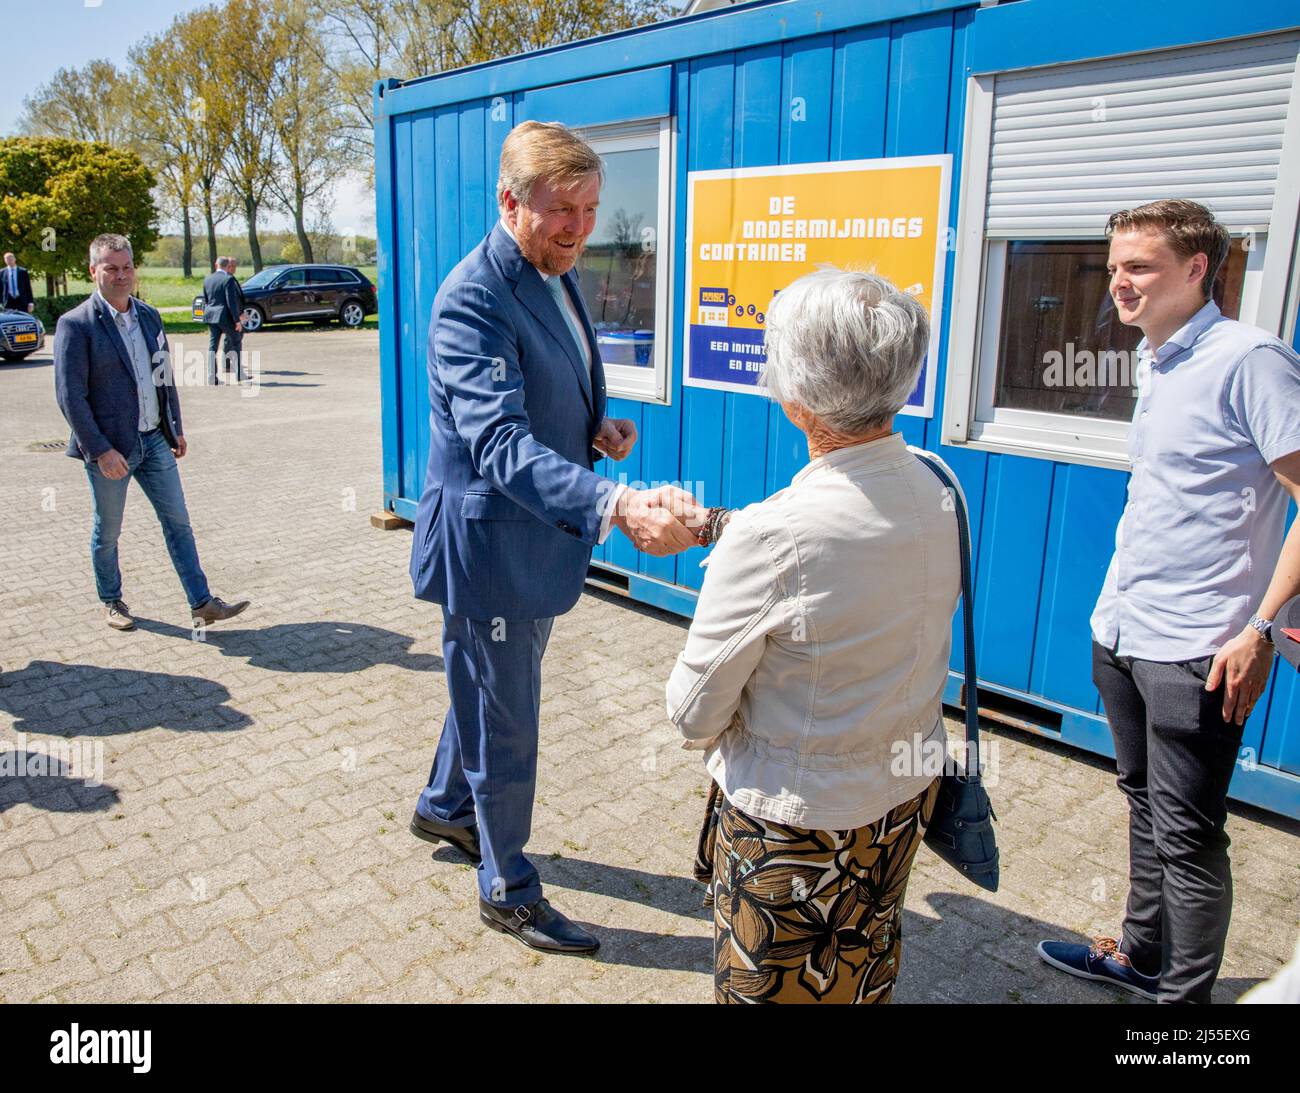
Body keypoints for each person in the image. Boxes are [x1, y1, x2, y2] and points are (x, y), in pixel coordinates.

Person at [407, 121, 703, 955]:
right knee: (506, 718)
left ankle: (444, 805)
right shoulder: (473, 297)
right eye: (561, 208)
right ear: (510, 202)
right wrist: (613, 504)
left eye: (590, 208)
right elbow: (497, 444)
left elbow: (547, 385)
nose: (579, 226)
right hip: (493, 550)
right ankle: (506, 887)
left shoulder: (554, 270)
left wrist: (591, 427)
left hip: (532, 541)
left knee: (486, 685)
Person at [667, 268, 961, 1004]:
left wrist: (733, 547)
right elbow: (848, 548)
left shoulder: (771, 536)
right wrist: (716, 526)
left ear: (796, 399)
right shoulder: (938, 483)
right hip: (899, 802)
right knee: (860, 977)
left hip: (795, 831)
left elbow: (692, 711)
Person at [1038, 199, 1300, 1004]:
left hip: (1199, 644)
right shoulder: (1157, 359)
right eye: (1114, 265)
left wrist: (1260, 629)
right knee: (1142, 803)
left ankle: (1181, 1010)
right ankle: (1140, 956)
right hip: (1123, 626)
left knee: (1188, 833)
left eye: (1140, 266)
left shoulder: (1250, 359)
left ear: (1197, 269)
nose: (1119, 280)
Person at [54, 233, 250, 631]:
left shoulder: (148, 315)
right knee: (108, 530)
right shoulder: (76, 325)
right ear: (94, 271)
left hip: (155, 440)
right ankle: (111, 601)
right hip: (111, 448)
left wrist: (174, 427)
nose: (121, 275)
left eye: (127, 267)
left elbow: (164, 377)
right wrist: (100, 450)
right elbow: (71, 397)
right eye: (111, 268)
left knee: (178, 521)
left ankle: (202, 602)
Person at [202, 256, 245, 384]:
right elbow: (231, 302)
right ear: (227, 266)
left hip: (211, 316)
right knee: (236, 341)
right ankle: (238, 374)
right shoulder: (228, 279)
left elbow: (206, 299)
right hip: (225, 317)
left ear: (216, 265)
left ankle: (211, 377)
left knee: (212, 347)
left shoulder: (207, 279)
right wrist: (237, 320)